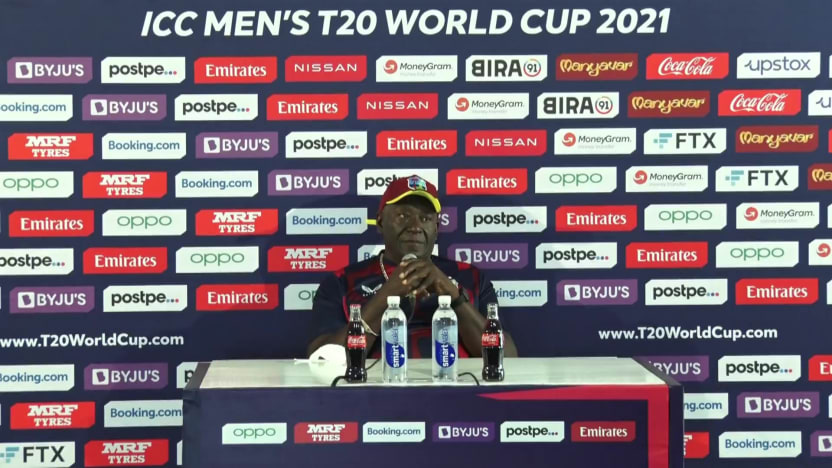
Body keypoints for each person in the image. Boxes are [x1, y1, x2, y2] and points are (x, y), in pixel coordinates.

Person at [306, 174, 518, 359]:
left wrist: (454, 297)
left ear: (436, 228)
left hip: (457, 393)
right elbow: (323, 359)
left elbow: (506, 356)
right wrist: (385, 298)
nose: (415, 226)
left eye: (425, 218)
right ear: (380, 222)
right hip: (372, 396)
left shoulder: (469, 277)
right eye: (403, 216)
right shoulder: (343, 281)